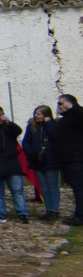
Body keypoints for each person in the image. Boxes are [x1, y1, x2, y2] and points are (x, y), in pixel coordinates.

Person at [24, 105, 60, 222]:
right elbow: (26, 142)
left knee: (52, 186)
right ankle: (48, 208)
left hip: (50, 160)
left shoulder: (53, 126)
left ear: (46, 115)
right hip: (36, 160)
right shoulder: (31, 127)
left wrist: (48, 123)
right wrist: (30, 154)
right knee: (43, 186)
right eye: (35, 113)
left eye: (39, 113)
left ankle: (54, 209)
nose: (36, 116)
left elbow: (56, 139)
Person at [54, 94, 83, 227]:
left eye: (61, 103)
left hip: (76, 158)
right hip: (67, 159)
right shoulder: (66, 119)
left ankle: (81, 215)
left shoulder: (77, 115)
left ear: (68, 103)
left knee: (79, 188)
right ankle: (79, 212)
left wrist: (73, 107)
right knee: (76, 187)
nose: (58, 106)